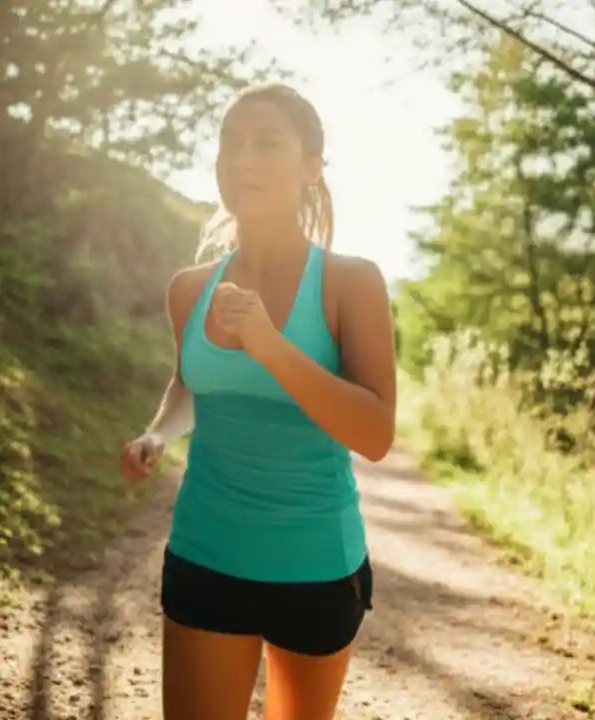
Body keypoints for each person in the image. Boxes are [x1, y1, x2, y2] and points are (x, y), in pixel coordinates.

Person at [118, 83, 397, 720]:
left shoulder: (351, 283)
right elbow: (191, 384)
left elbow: (376, 433)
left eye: (267, 143)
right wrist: (159, 432)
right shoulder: (190, 289)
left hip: (315, 567)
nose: (243, 160)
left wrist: (271, 345)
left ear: (310, 167)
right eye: (230, 144)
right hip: (206, 553)